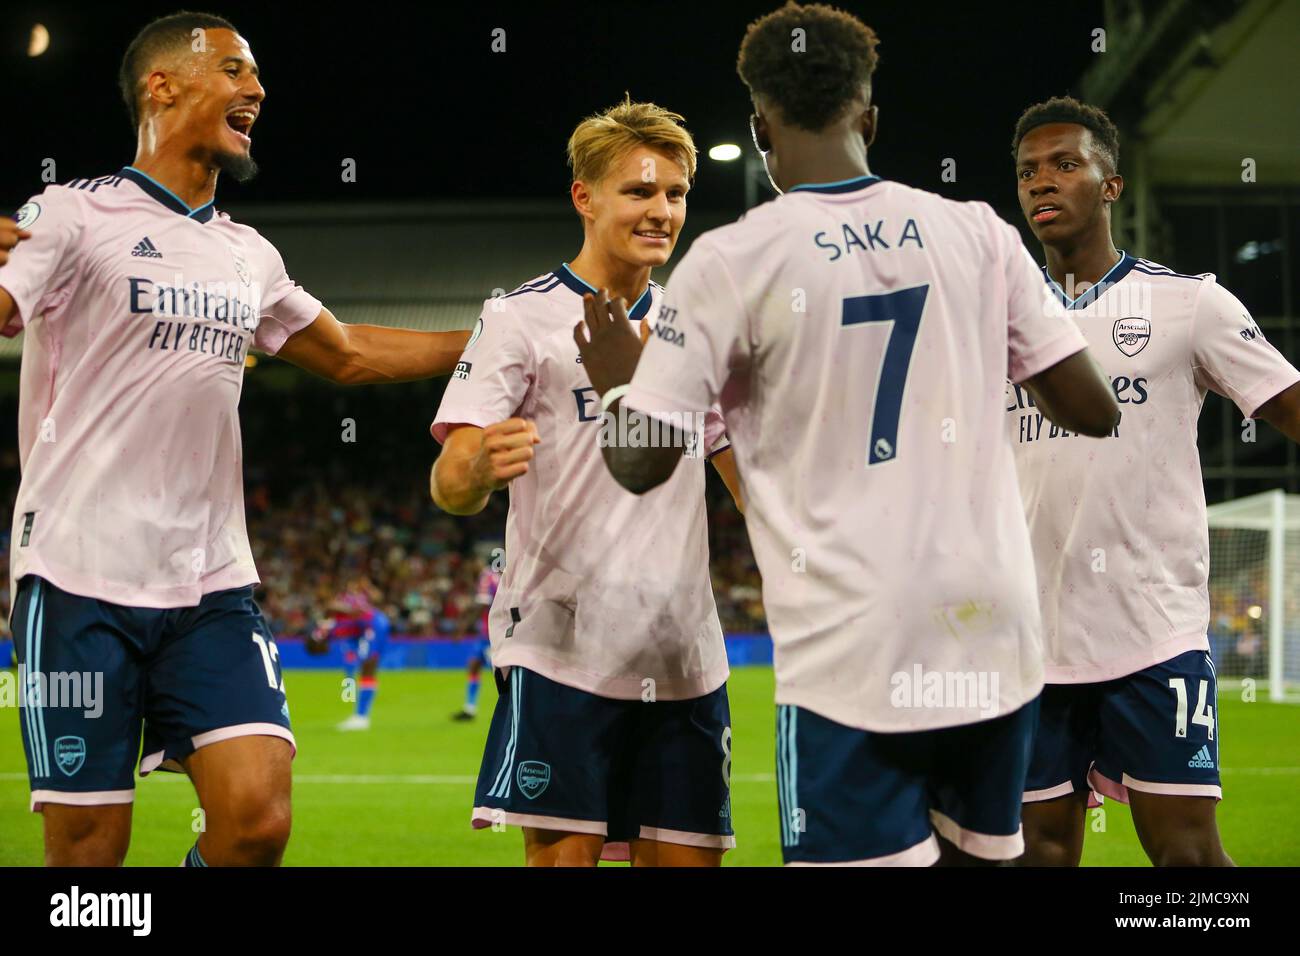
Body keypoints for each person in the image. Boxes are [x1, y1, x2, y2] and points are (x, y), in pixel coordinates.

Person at [575, 2, 1119, 866]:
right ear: (869, 117)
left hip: (852, 647)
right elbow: (1094, 409)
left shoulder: (733, 258)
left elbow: (641, 464)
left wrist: (617, 388)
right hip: (992, 629)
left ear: (760, 129)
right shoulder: (979, 232)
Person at [0, 11, 469, 867]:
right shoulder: (71, 214)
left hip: (211, 585)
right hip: (78, 579)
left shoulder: (248, 253)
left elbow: (350, 352)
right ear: (163, 84)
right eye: (234, 70)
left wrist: (499, 337)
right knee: (87, 854)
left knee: (257, 822)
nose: (256, 89)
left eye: (255, 76)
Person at [430, 98, 743, 867]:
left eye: (674, 193)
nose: (660, 211)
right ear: (585, 196)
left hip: (683, 653)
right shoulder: (519, 319)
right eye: (639, 191)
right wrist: (474, 469)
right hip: (561, 644)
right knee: (564, 858)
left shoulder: (700, 330)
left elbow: (747, 486)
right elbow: (450, 481)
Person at [1007, 96, 1300, 866]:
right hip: (1028, 639)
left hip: (1152, 632)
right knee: (1037, 854)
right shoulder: (997, 319)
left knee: (1187, 859)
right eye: (1029, 171)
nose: (1044, 182)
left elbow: (1291, 406)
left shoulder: (1187, 304)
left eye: (1066, 164)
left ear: (1111, 185)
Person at [452, 560, 499, 722]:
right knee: (474, 664)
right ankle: (470, 708)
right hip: (487, 632)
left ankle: (512, 708)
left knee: (499, 672)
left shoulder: (486, 576)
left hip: (491, 633)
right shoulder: (495, 575)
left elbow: (482, 605)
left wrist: (462, 628)